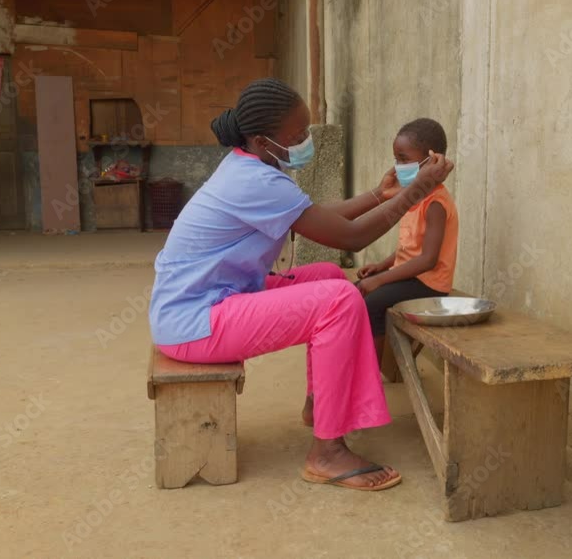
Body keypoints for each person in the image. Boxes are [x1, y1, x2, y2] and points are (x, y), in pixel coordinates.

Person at [148, 78, 454, 491]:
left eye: (306, 130)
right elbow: (351, 238)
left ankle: (321, 403)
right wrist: (417, 188)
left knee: (329, 276)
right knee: (340, 300)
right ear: (261, 139)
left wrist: (381, 195)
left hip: (209, 303)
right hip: (193, 322)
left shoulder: (253, 166)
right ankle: (326, 453)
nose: (306, 141)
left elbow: (317, 216)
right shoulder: (254, 181)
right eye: (298, 136)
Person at [355, 118, 459, 362]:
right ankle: (359, 362)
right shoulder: (414, 196)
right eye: (396, 159)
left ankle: (371, 370)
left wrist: (380, 280)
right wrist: (382, 265)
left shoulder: (436, 203)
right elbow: (409, 248)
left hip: (428, 283)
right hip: (411, 275)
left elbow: (427, 260)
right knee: (356, 291)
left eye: (403, 159)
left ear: (432, 160)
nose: (398, 166)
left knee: (371, 302)